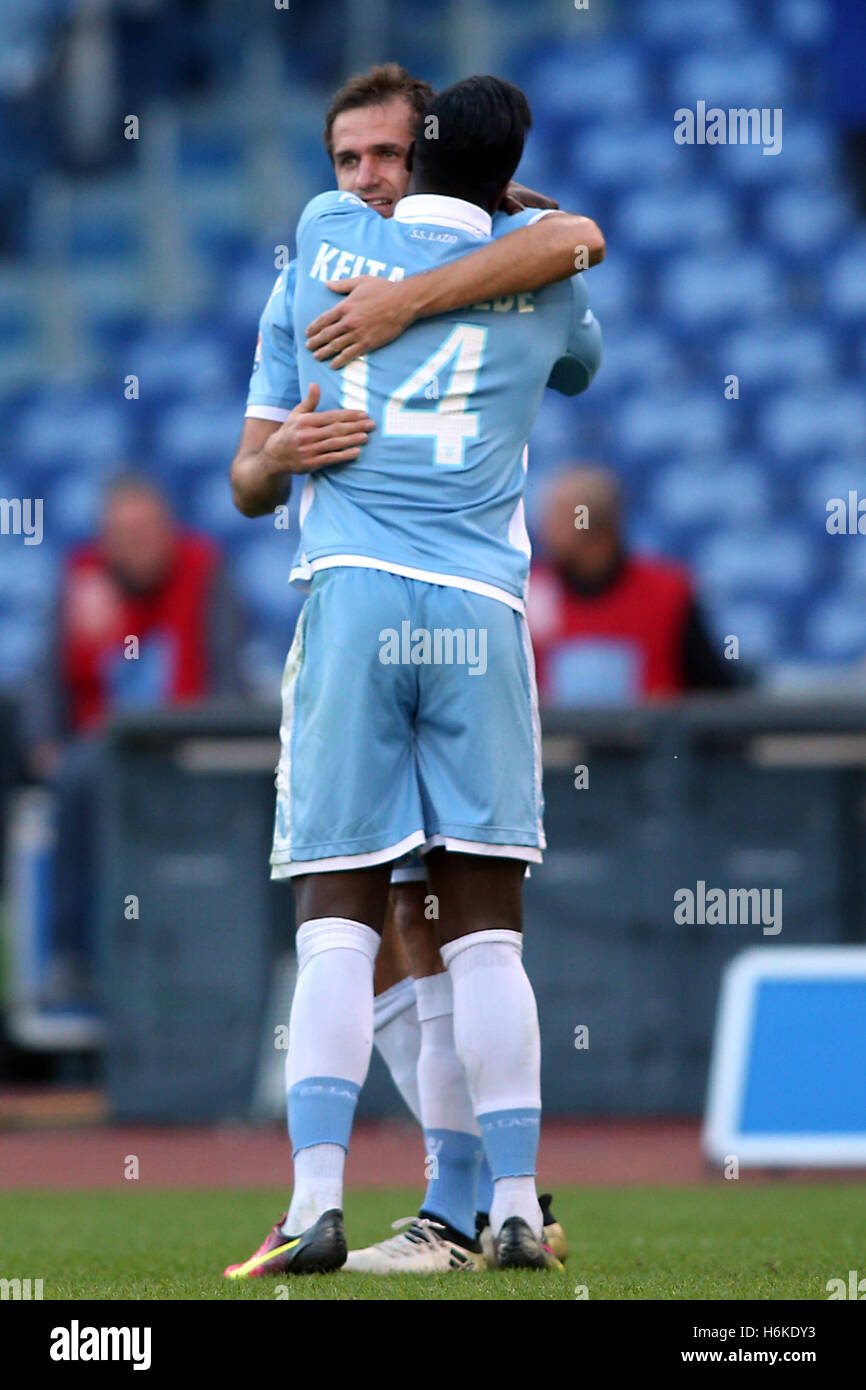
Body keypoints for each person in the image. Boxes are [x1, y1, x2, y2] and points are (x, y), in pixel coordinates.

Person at [224, 73, 602, 1279]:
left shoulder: (330, 240)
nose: (364, 176)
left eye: (390, 153)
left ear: (414, 156)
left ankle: (316, 1200)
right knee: (485, 932)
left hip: (351, 599)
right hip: (479, 612)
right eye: (350, 156)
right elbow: (577, 278)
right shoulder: (544, 273)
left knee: (335, 919)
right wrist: (510, 223)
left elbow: (424, 246)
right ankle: (504, 1201)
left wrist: (397, 301)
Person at [25, 472, 246, 1006]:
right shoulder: (82, 579)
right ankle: (72, 961)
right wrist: (42, 741)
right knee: (74, 779)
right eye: (122, 535)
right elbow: (44, 677)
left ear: (169, 530)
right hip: (104, 753)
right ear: (105, 540)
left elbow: (227, 675)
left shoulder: (205, 569)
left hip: (189, 747)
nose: (136, 546)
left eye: (146, 532)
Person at [529, 466, 741, 706]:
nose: (544, 528)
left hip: (649, 741)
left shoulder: (667, 594)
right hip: (557, 742)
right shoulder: (532, 593)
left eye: (558, 516)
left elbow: (714, 691)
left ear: (596, 524)